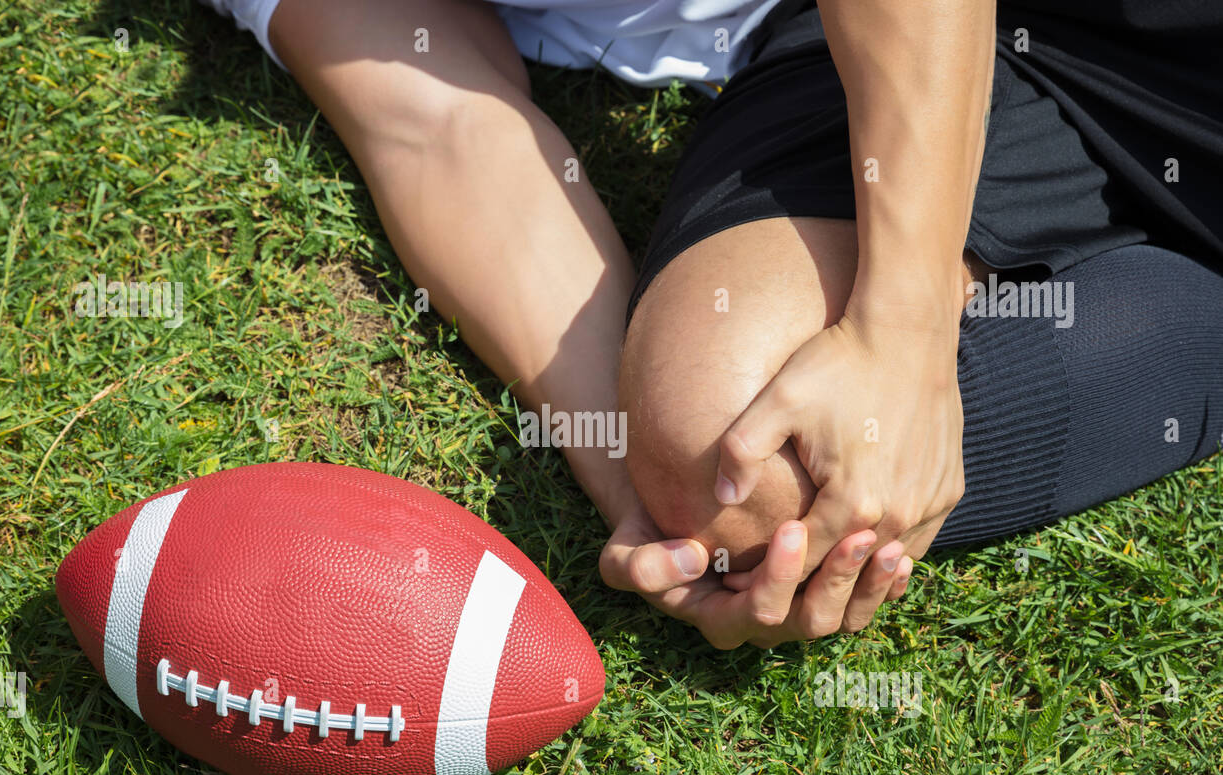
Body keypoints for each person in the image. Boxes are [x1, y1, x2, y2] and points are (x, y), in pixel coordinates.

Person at [204, 0, 1223, 649]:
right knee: (733, 456)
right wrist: (664, 501)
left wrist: (902, 332)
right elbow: (438, 124)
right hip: (835, 43)